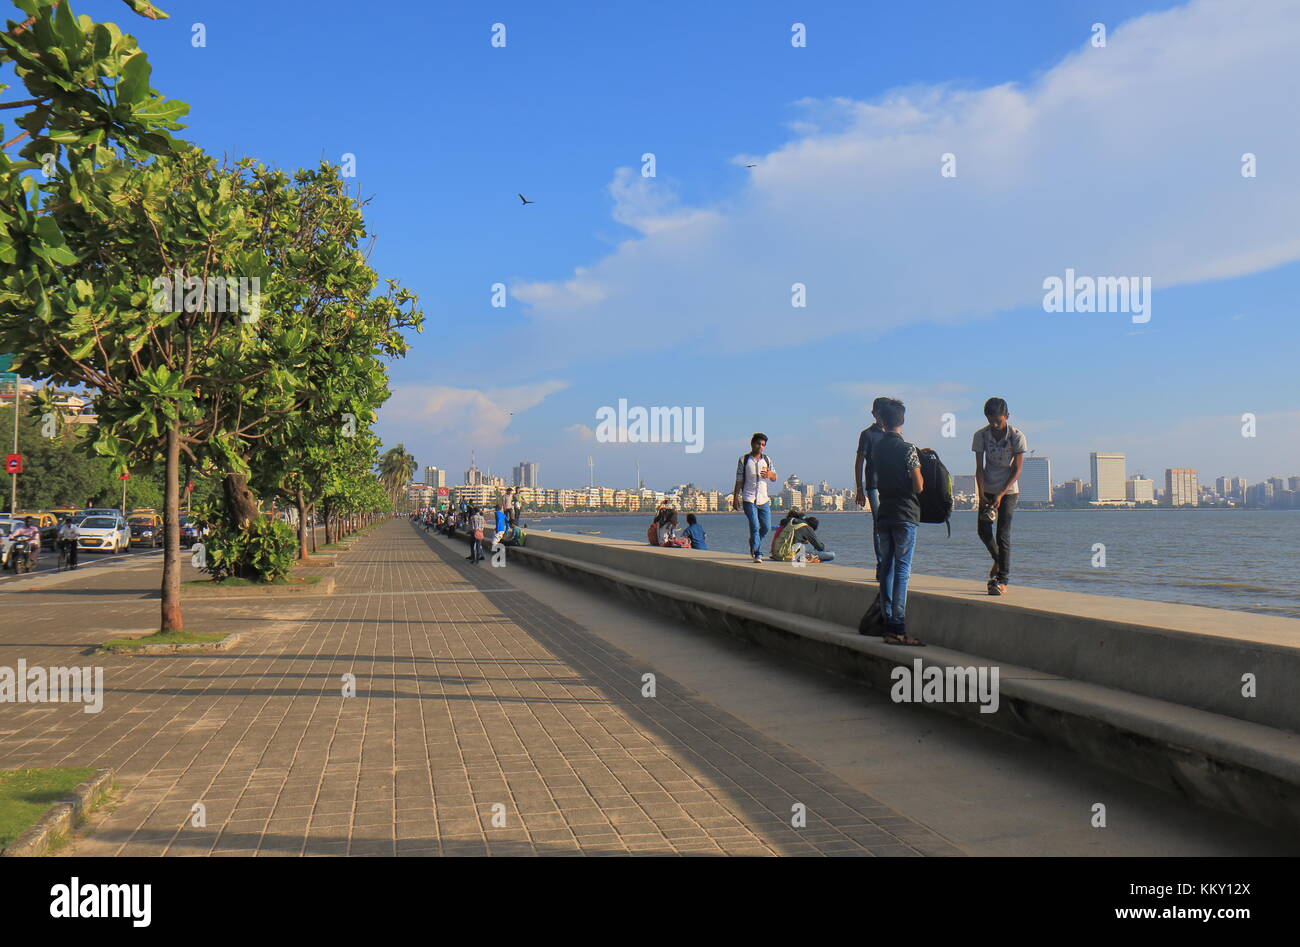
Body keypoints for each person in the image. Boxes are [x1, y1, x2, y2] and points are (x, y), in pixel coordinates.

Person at [872, 399, 924, 645]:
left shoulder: (877, 448)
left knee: (887, 568)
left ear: (883, 420)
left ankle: (887, 622)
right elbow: (919, 484)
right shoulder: (908, 449)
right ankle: (899, 626)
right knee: (902, 569)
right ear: (902, 421)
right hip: (905, 514)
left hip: (885, 513)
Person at [972, 397, 1027, 596]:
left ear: (1007, 416)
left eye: (998, 420)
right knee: (983, 531)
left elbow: (1017, 469)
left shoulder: (1017, 436)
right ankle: (998, 559)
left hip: (1009, 490)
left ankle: (1002, 579)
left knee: (1002, 534)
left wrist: (1001, 494)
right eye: (991, 420)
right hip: (987, 487)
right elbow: (979, 468)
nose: (995, 425)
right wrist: (981, 494)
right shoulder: (981, 435)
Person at [854, 397, 891, 573]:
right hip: (874, 486)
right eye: (879, 411)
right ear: (874, 413)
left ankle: (890, 561)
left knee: (893, 523)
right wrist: (859, 490)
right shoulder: (867, 434)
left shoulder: (893, 433)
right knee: (879, 524)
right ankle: (881, 563)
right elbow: (859, 462)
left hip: (892, 486)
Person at [732, 432, 777, 562]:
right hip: (749, 498)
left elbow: (775, 477)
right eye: (758, 443)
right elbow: (739, 480)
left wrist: (769, 474)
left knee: (766, 527)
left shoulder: (767, 460)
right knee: (754, 526)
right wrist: (735, 497)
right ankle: (757, 552)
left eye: (763, 445)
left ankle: (754, 542)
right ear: (752, 444)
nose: (760, 447)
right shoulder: (744, 460)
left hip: (763, 499)